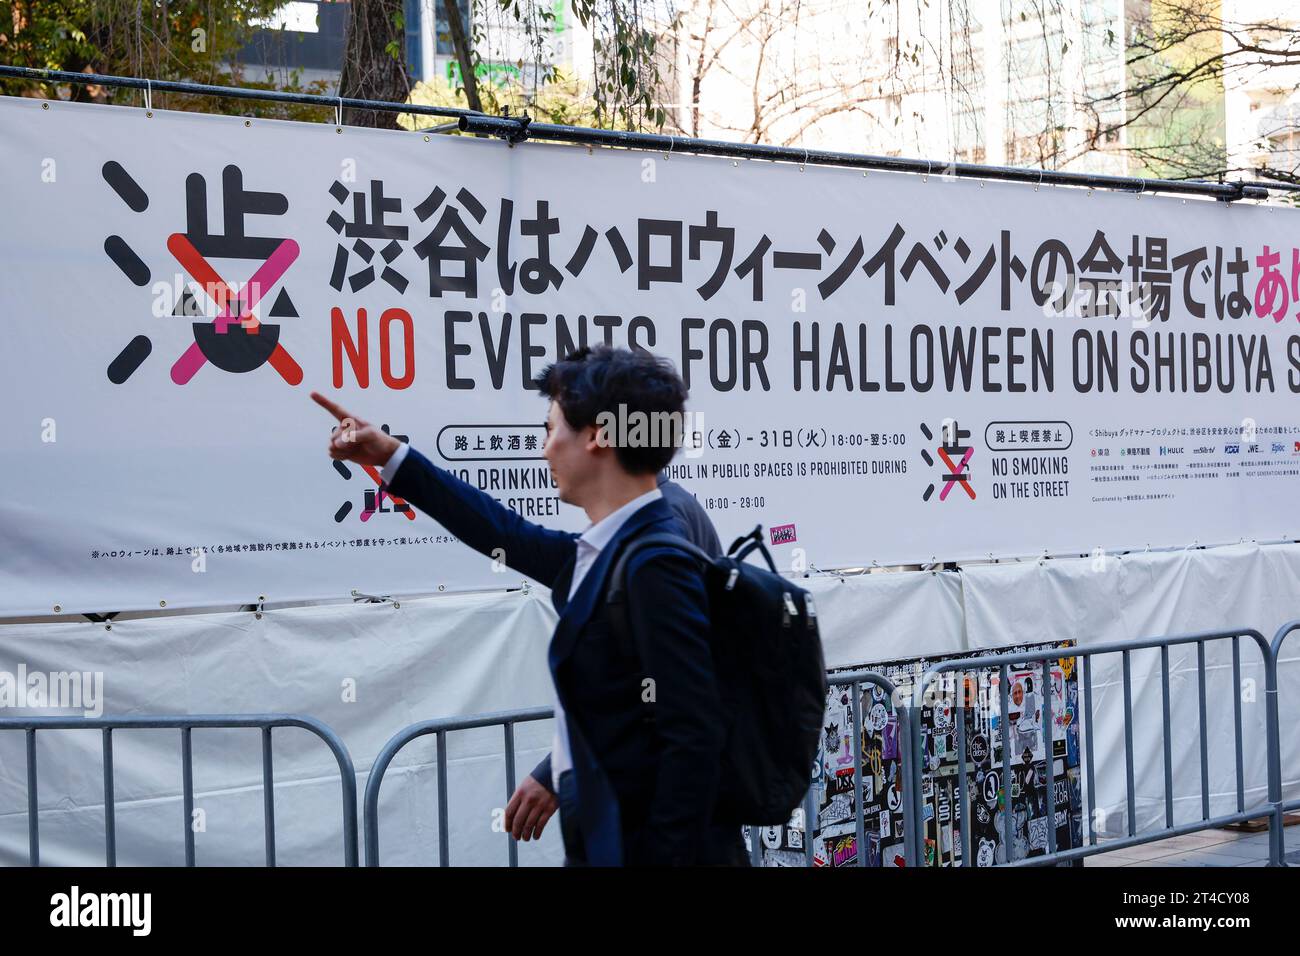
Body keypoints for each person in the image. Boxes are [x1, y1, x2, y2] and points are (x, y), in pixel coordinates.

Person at [311, 345, 742, 866]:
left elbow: (693, 737)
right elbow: (502, 533)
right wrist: (390, 457)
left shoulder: (654, 561)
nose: (544, 450)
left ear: (598, 436)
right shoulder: (613, 550)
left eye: (551, 428)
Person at [508, 471, 722, 845]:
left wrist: (553, 771)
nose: (547, 449)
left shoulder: (659, 527)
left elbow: (651, 685)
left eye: (558, 430)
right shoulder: (663, 511)